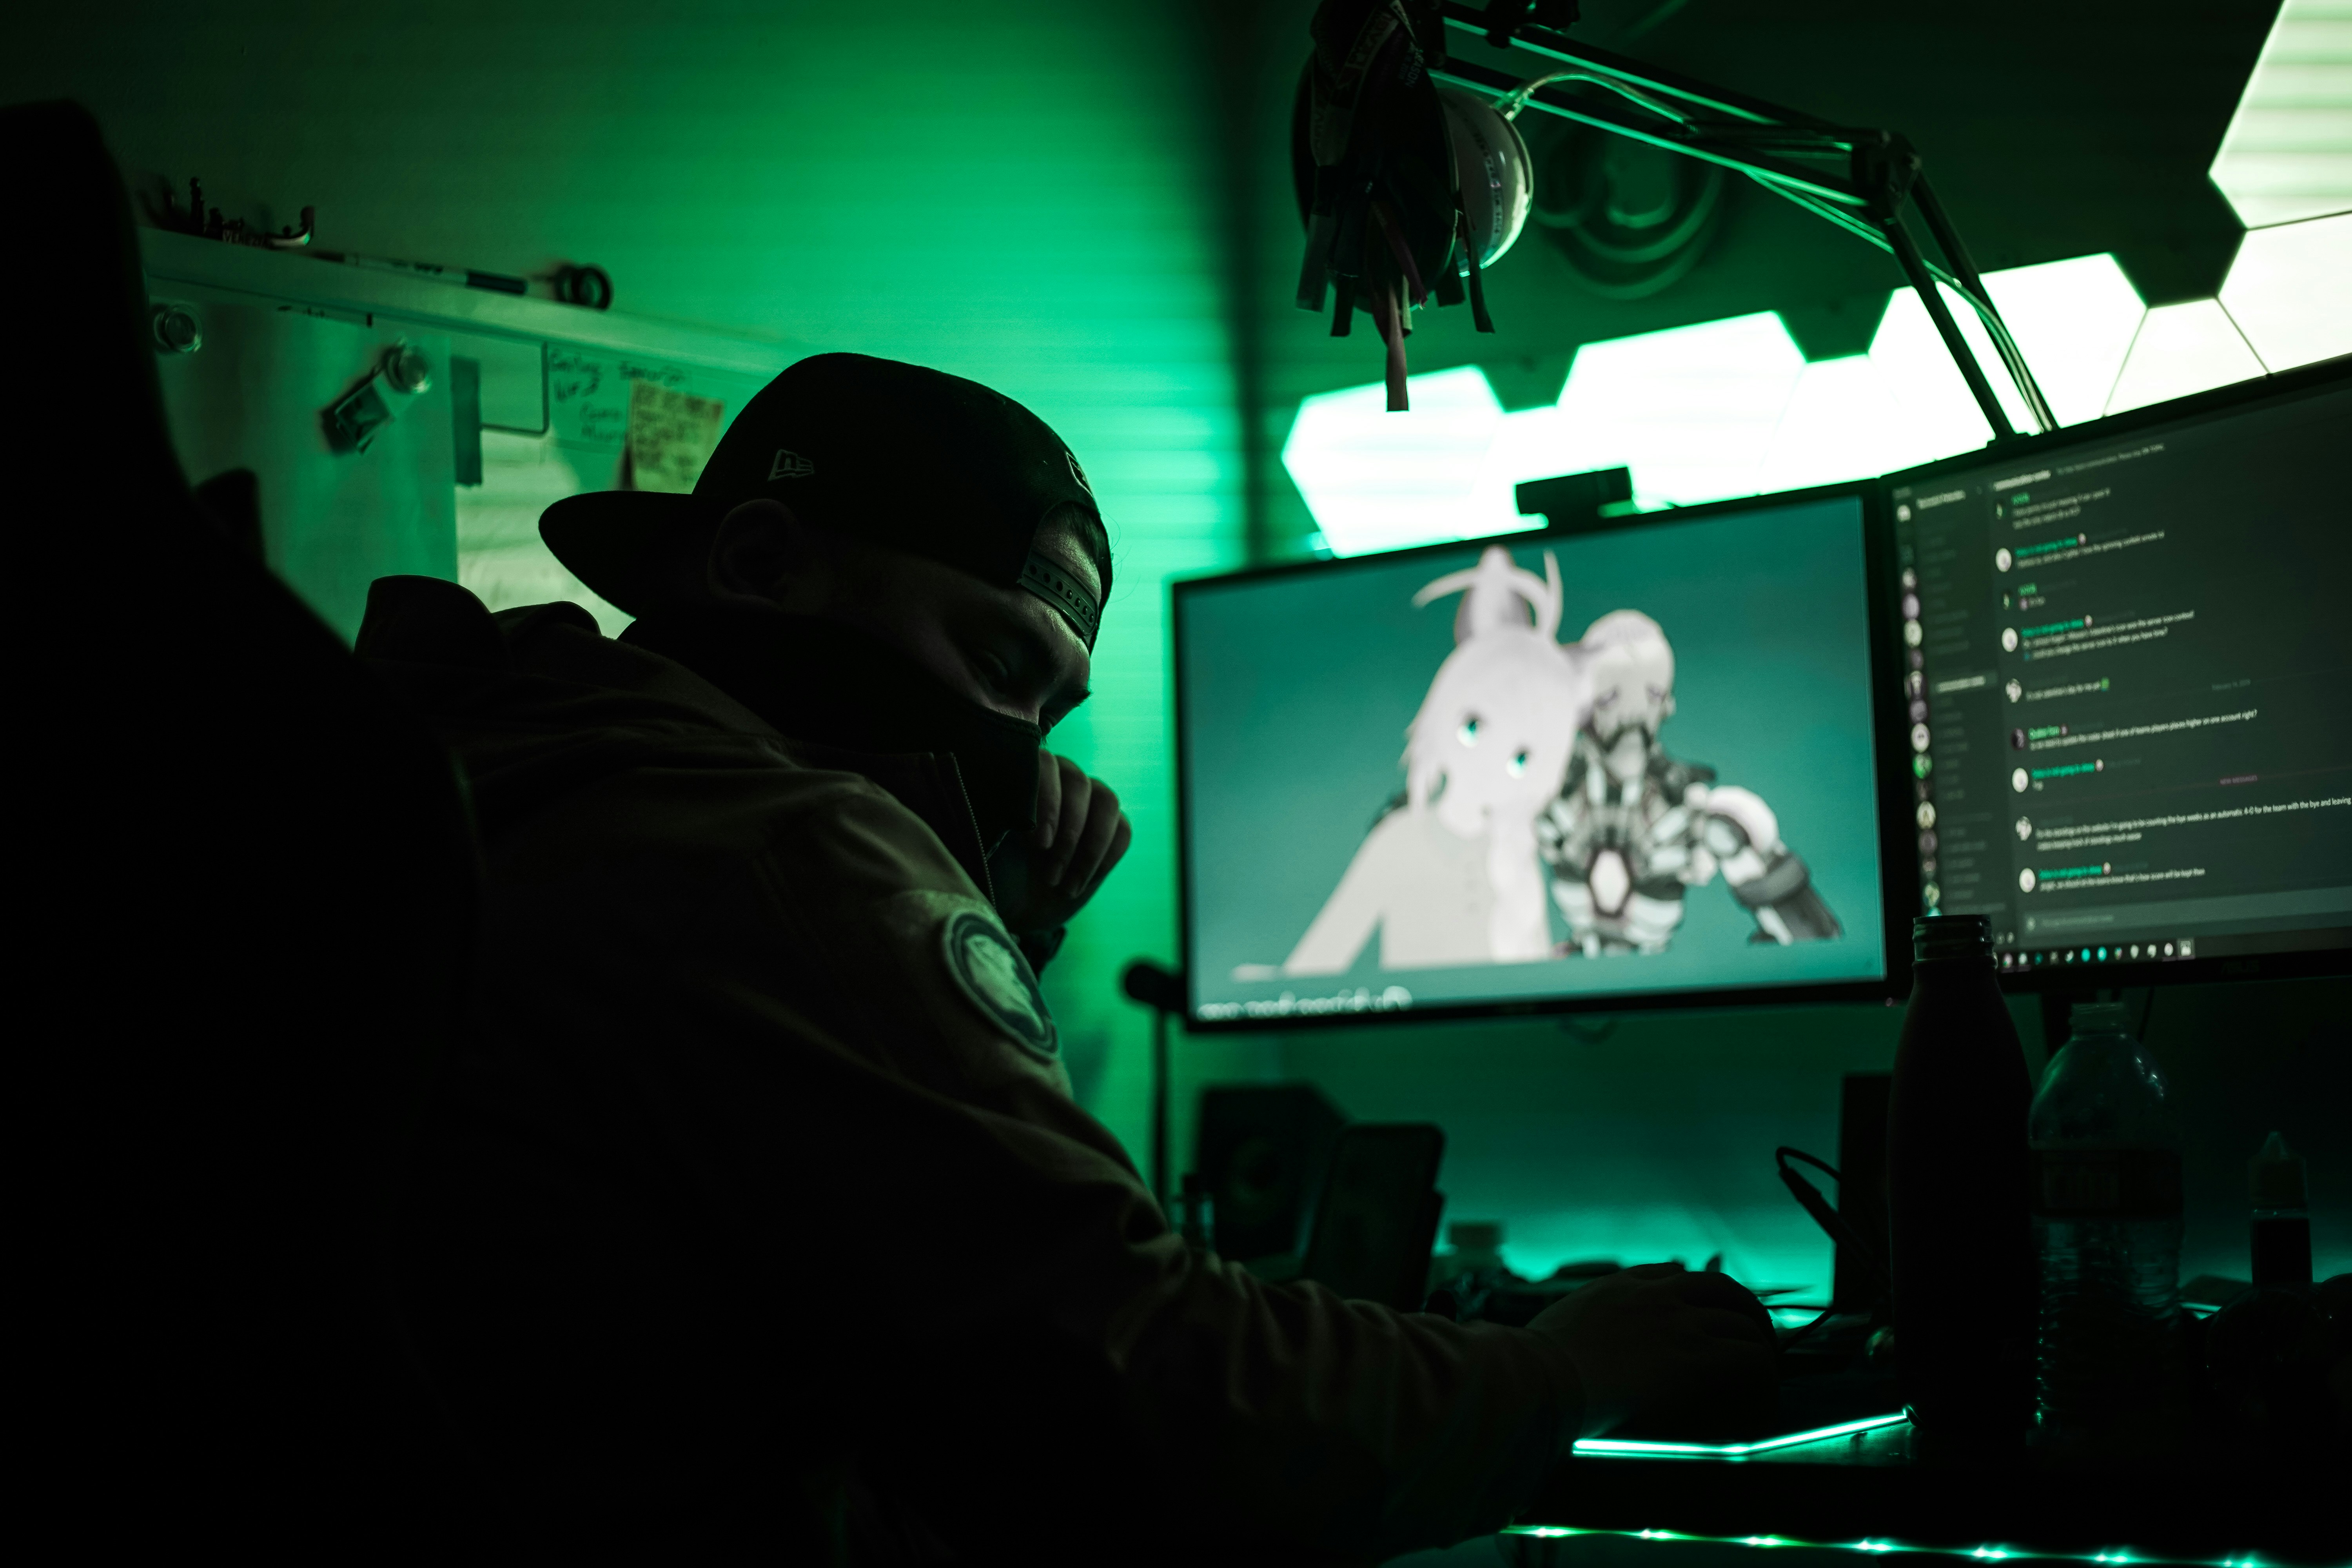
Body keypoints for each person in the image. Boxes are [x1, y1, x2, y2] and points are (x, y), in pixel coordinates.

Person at [369, 354, 1776, 1564]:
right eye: (991, 661)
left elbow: (887, 1281)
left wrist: (1006, 931)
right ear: (757, 568)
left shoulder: (504, 767)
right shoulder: (783, 851)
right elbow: (1149, 1391)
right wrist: (1563, 1371)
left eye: (1048, 704)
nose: (1016, 756)